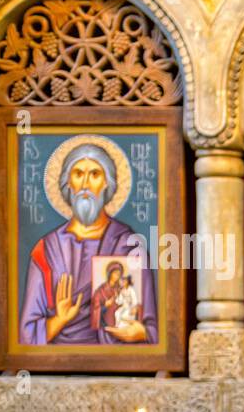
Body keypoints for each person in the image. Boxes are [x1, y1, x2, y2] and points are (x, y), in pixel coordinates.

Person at [20, 142, 156, 345]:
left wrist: (142, 333)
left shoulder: (129, 246)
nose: (85, 184)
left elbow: (153, 328)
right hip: (55, 363)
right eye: (78, 174)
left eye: (94, 174)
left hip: (117, 360)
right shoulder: (46, 250)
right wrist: (60, 319)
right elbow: (26, 336)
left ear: (107, 183)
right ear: (68, 182)